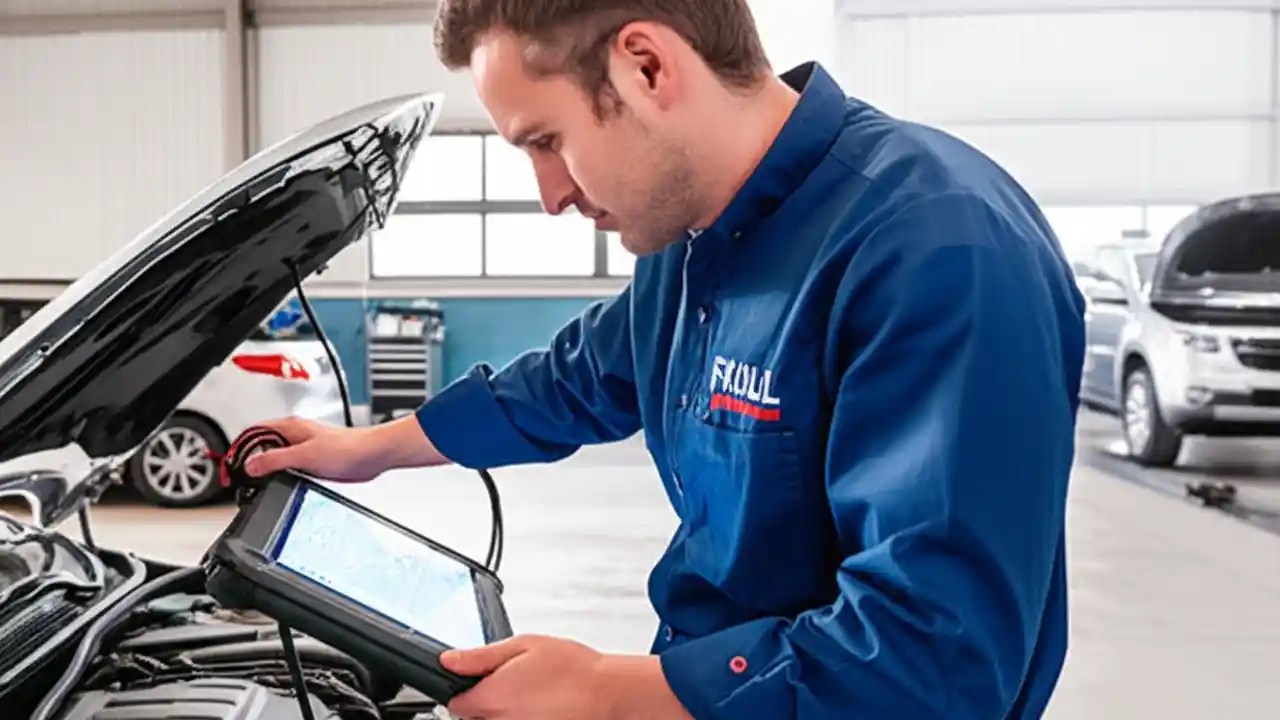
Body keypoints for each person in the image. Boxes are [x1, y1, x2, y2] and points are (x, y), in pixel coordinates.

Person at [246, 1, 1086, 718]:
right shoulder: (689, 239)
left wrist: (605, 693)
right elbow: (574, 380)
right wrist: (368, 449)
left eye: (548, 141)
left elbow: (929, 661)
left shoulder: (939, 249)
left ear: (646, 67)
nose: (550, 196)